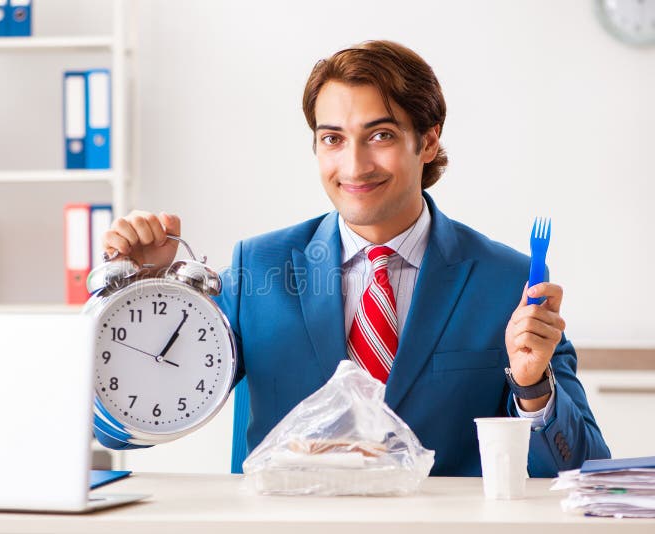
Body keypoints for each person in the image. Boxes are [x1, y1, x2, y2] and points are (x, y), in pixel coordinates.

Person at [100, 40, 610, 477]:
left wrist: (533, 388)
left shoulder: (506, 282)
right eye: (332, 139)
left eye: (381, 135)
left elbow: (578, 468)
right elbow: (128, 430)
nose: (354, 164)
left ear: (427, 140)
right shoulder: (258, 269)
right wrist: (149, 296)